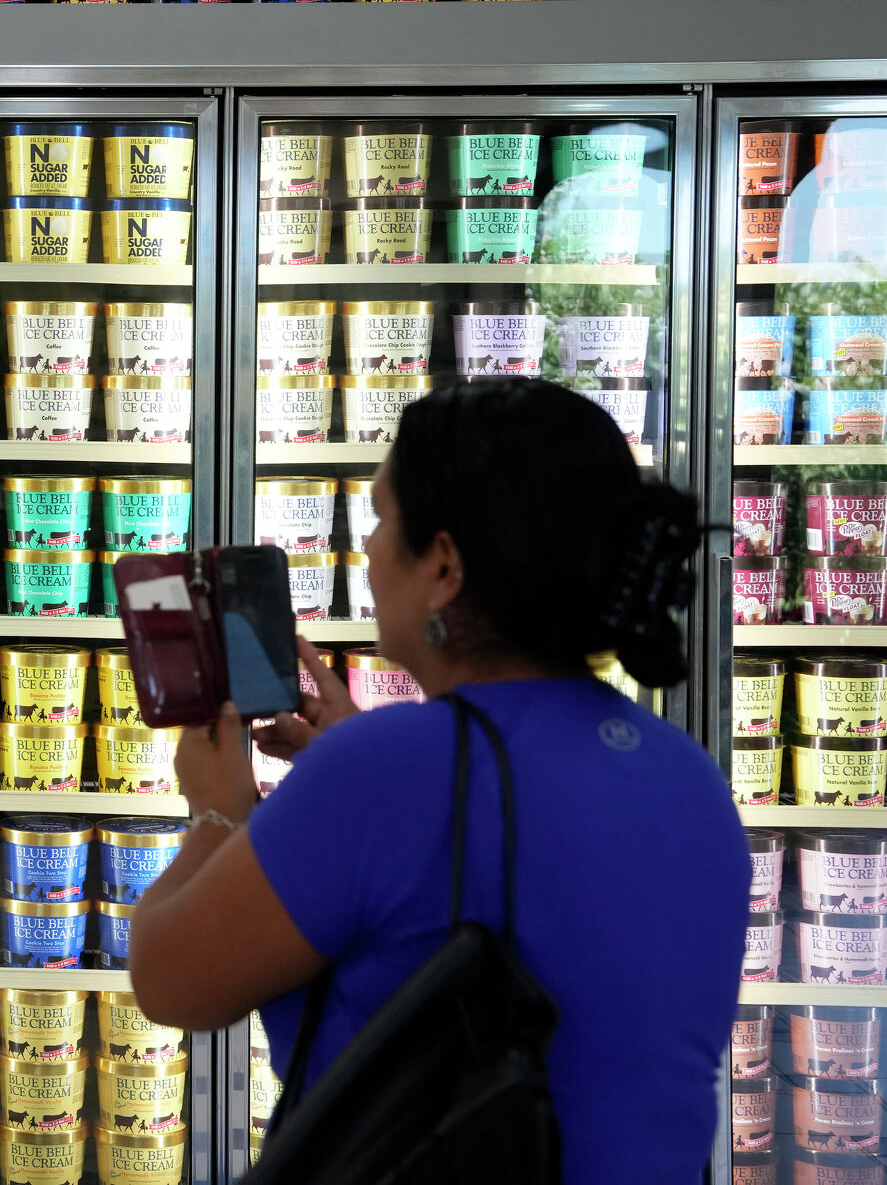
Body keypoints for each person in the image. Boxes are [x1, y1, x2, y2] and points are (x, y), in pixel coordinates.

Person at [127, 378, 747, 1185]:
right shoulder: (688, 775)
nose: (371, 547)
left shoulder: (385, 773)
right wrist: (368, 758)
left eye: (383, 518)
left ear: (444, 565)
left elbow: (169, 979)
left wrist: (216, 811)